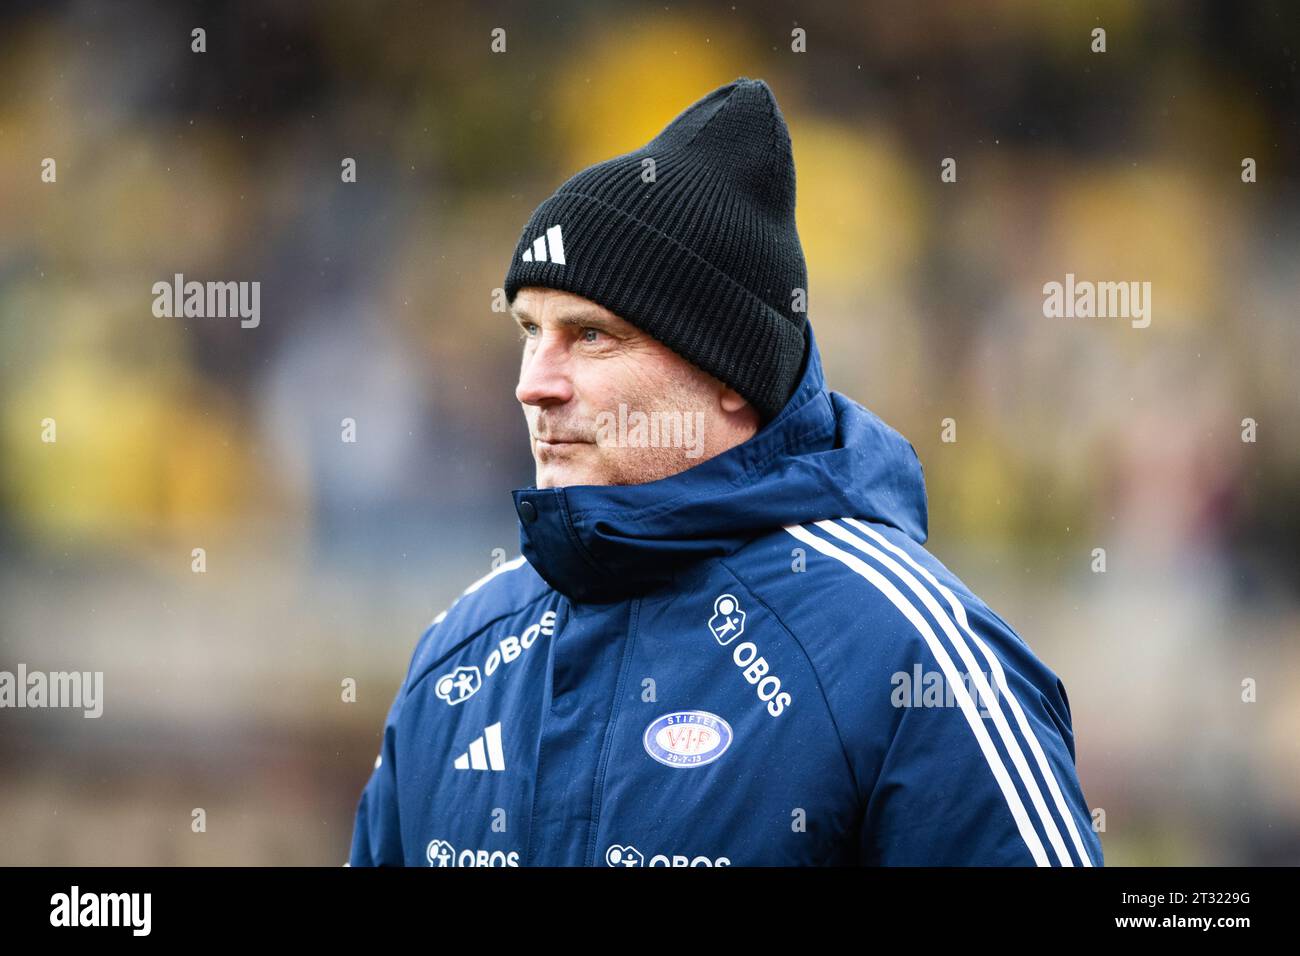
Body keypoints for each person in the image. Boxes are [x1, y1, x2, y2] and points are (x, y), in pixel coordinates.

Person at [348, 77, 1103, 867]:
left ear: (730, 373)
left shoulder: (911, 656)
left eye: (592, 337)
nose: (533, 382)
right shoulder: (459, 656)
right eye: (529, 331)